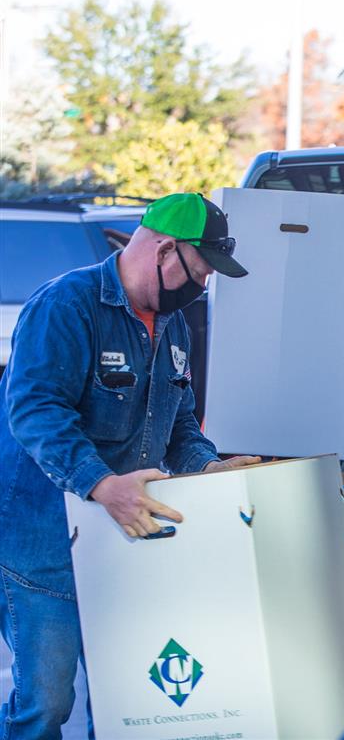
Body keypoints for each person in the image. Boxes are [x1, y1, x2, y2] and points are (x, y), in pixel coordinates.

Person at [0, 193, 260, 739]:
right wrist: (100, 484)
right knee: (45, 705)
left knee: (124, 703)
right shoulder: (67, 306)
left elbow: (180, 425)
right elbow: (34, 410)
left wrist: (208, 469)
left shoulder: (172, 324)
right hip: (43, 546)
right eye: (202, 270)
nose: (204, 285)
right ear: (166, 250)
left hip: (121, 547)